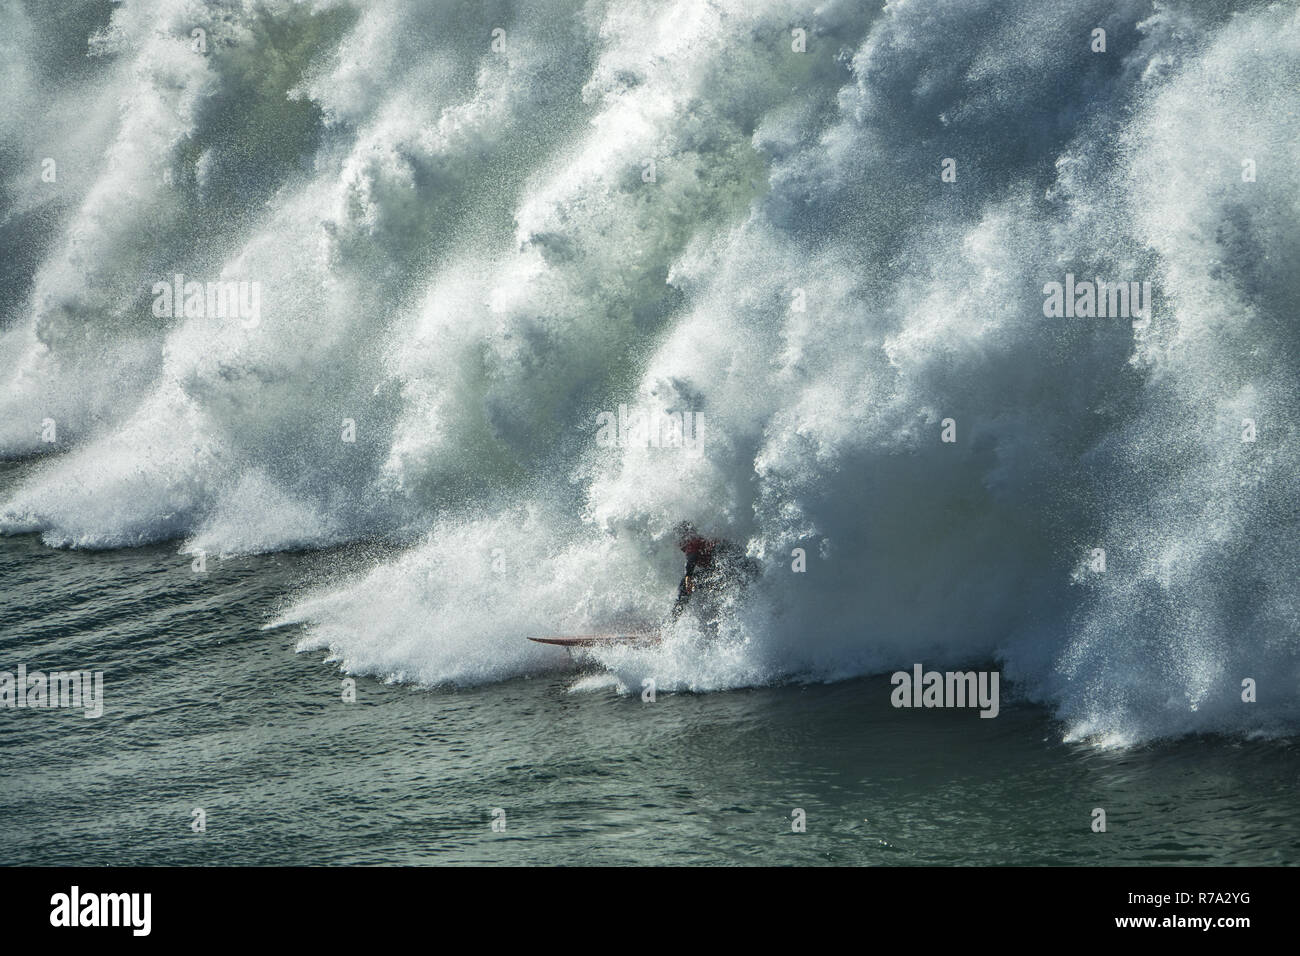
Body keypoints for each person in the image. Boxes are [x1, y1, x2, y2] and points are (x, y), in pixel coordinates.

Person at [669, 522, 759, 622]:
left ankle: (673, 622)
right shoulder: (705, 540)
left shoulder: (692, 541)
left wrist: (688, 576)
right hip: (740, 566)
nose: (678, 543)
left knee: (684, 586)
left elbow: (692, 557)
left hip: (728, 565)